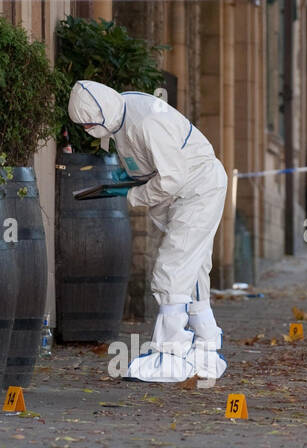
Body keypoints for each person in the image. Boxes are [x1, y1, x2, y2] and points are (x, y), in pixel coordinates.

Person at [67, 80, 228, 383]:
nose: (88, 129)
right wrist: (126, 178)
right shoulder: (121, 114)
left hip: (198, 189)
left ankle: (170, 355)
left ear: (101, 115)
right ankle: (206, 349)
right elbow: (146, 165)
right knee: (192, 271)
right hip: (191, 190)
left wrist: (133, 196)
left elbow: (172, 178)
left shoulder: (147, 122)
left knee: (172, 267)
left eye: (89, 124)